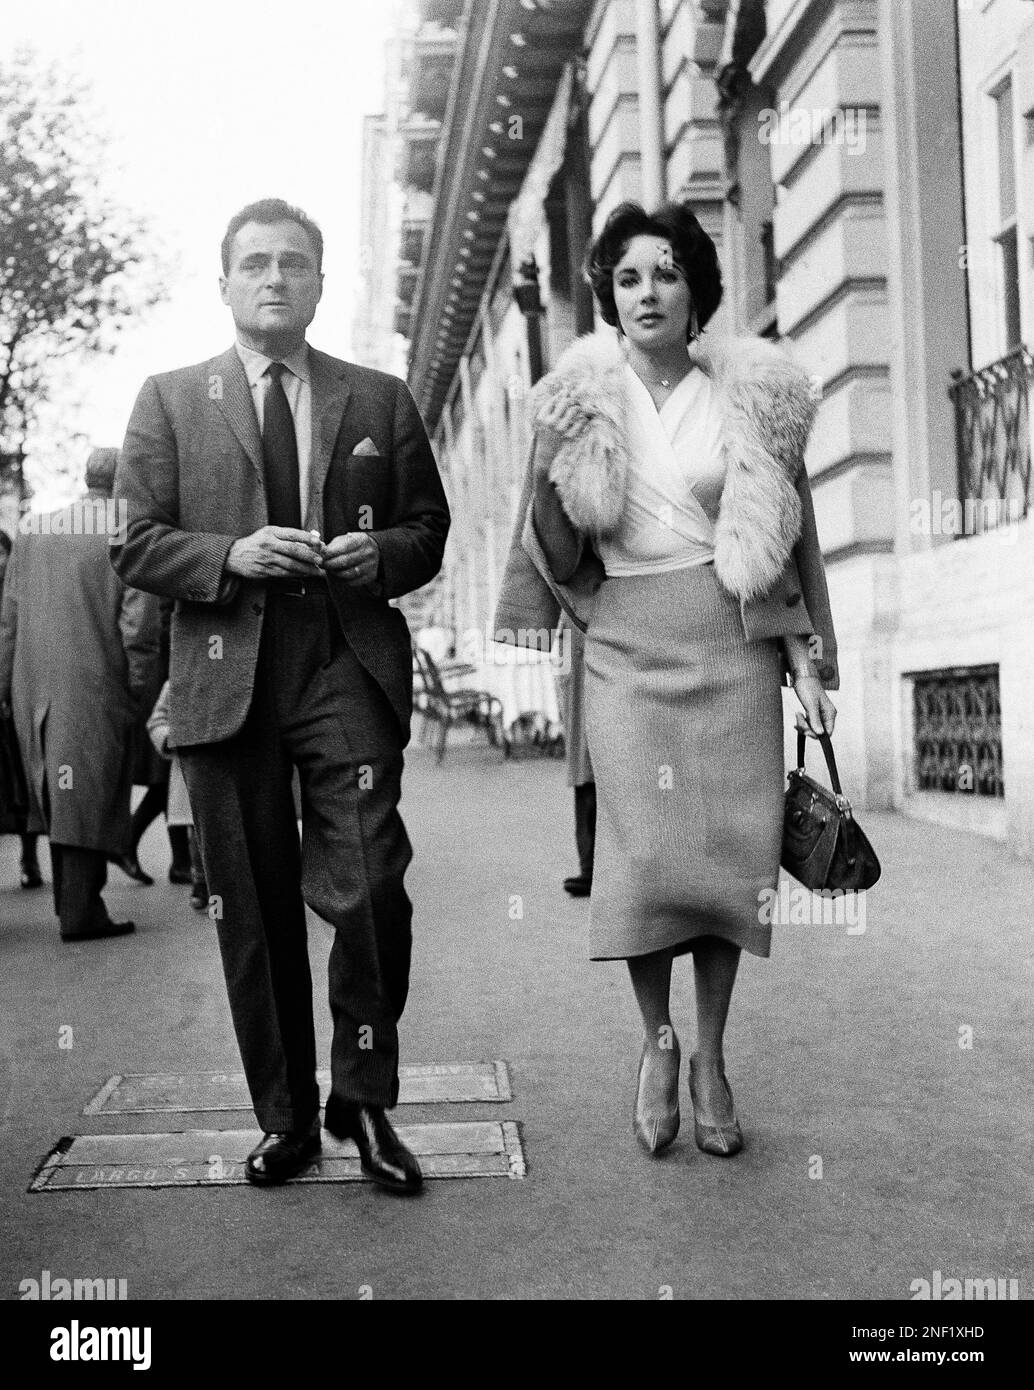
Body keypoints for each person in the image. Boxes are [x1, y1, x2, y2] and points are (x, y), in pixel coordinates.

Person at [111, 198, 449, 1193]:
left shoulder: (376, 399)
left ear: (317, 283)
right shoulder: (170, 398)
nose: (273, 277)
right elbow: (134, 542)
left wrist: (375, 551)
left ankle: (365, 1095)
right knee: (249, 909)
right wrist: (231, 553)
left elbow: (428, 525)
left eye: (292, 263)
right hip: (223, 669)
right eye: (253, 263)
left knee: (371, 882)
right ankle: (286, 1119)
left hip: (341, 658)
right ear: (224, 285)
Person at [495, 201, 839, 1158]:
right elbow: (555, 544)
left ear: (697, 295)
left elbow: (792, 537)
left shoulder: (755, 396)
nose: (648, 291)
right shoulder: (580, 397)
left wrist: (807, 660)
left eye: (668, 273)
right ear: (610, 294)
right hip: (625, 642)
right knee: (644, 858)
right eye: (631, 276)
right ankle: (656, 1041)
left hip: (733, 642)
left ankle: (713, 1057)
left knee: (731, 858)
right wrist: (554, 459)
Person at [0, 449, 160, 940]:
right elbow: (139, 626)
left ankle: (71, 904)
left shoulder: (33, 529)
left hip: (33, 684)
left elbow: (9, 617)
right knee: (88, 795)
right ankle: (81, 912)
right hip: (96, 682)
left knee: (57, 790)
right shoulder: (128, 528)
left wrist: (6, 686)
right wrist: (142, 691)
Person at [0, 529, 42, 888]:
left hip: (13, 695)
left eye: (2, 552)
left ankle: (29, 857)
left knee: (19, 780)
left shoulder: (18, 590)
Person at [146, 680, 207, 910]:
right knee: (198, 832)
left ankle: (215, 885)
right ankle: (201, 881)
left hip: (228, 767)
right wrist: (174, 741)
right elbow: (157, 721)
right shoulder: (177, 682)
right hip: (190, 766)